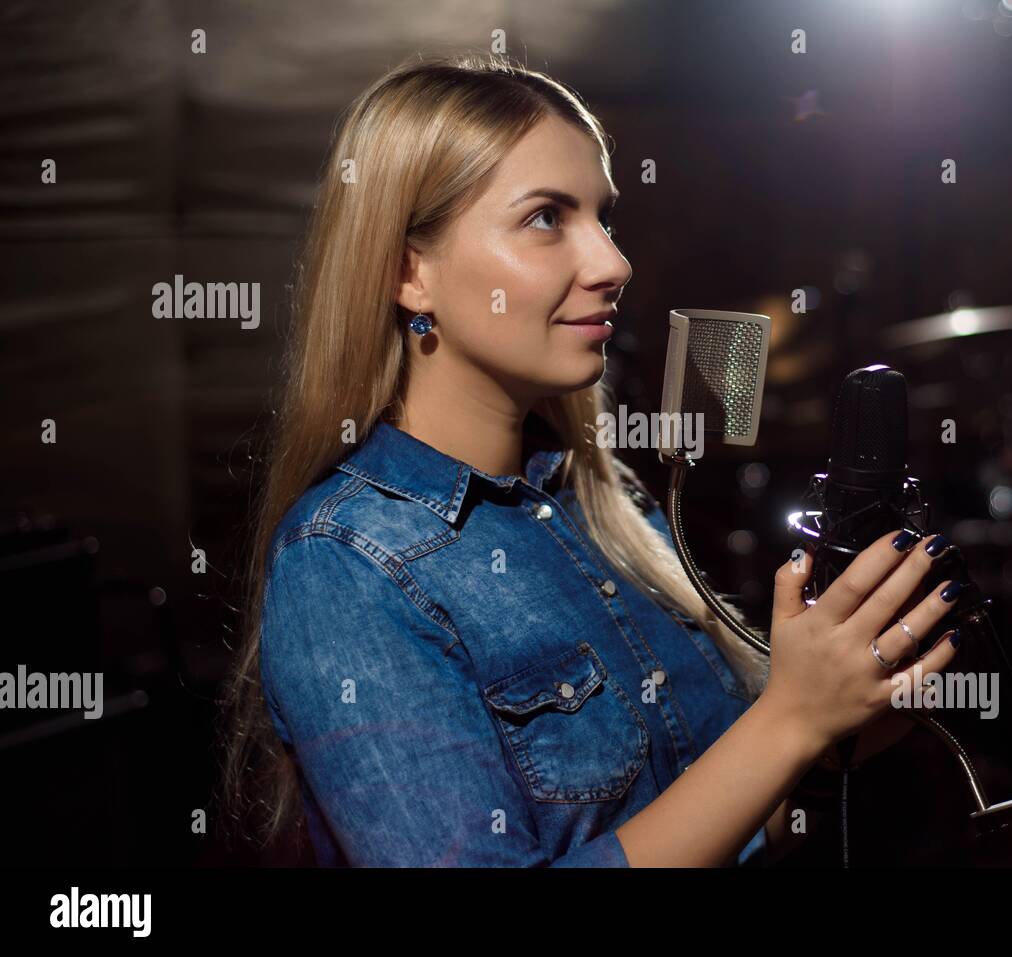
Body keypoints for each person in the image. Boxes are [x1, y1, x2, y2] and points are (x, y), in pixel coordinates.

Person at [217, 51, 962, 867]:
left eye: (603, 218)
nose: (612, 263)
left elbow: (720, 819)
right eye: (545, 218)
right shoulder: (343, 565)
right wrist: (791, 720)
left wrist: (843, 720)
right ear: (409, 272)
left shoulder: (600, 502)